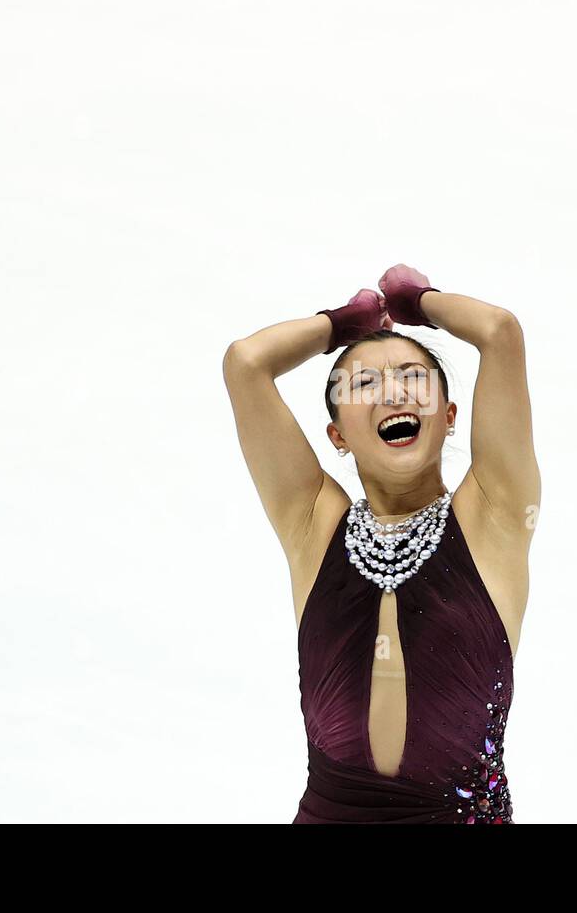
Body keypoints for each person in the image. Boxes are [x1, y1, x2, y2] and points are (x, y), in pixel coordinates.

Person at [222, 263, 541, 822]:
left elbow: (499, 332)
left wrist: (419, 302)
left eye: (413, 378)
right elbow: (247, 364)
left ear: (447, 418)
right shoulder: (312, 525)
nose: (392, 391)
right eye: (364, 384)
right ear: (339, 436)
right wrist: (344, 323)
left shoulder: (494, 516)